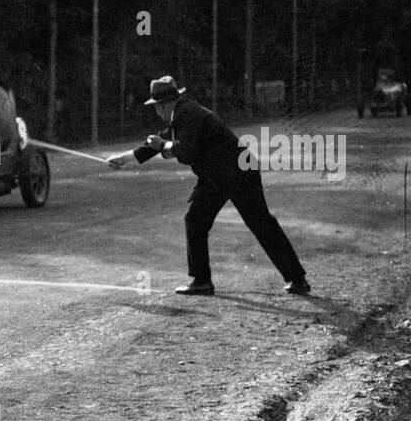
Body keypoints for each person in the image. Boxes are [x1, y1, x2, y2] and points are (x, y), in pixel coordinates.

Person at [108, 75, 310, 296]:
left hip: (229, 174)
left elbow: (185, 152)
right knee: (259, 223)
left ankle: (202, 281)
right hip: (234, 171)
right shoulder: (184, 113)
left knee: (198, 220)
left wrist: (164, 145)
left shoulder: (186, 115)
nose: (157, 112)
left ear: (163, 105)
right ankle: (297, 279)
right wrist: (121, 159)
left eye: (156, 107)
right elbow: (153, 145)